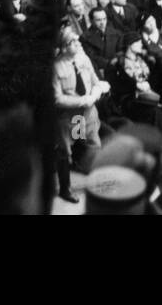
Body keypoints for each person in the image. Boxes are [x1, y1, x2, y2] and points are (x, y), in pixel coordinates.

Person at [52, 26, 108, 204]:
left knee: (94, 145)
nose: (77, 44)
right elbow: (56, 98)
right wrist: (82, 100)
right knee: (65, 152)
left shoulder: (84, 59)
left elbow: (94, 80)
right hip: (70, 117)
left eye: (77, 40)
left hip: (88, 114)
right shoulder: (56, 66)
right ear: (63, 46)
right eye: (72, 42)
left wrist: (97, 91)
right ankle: (65, 189)